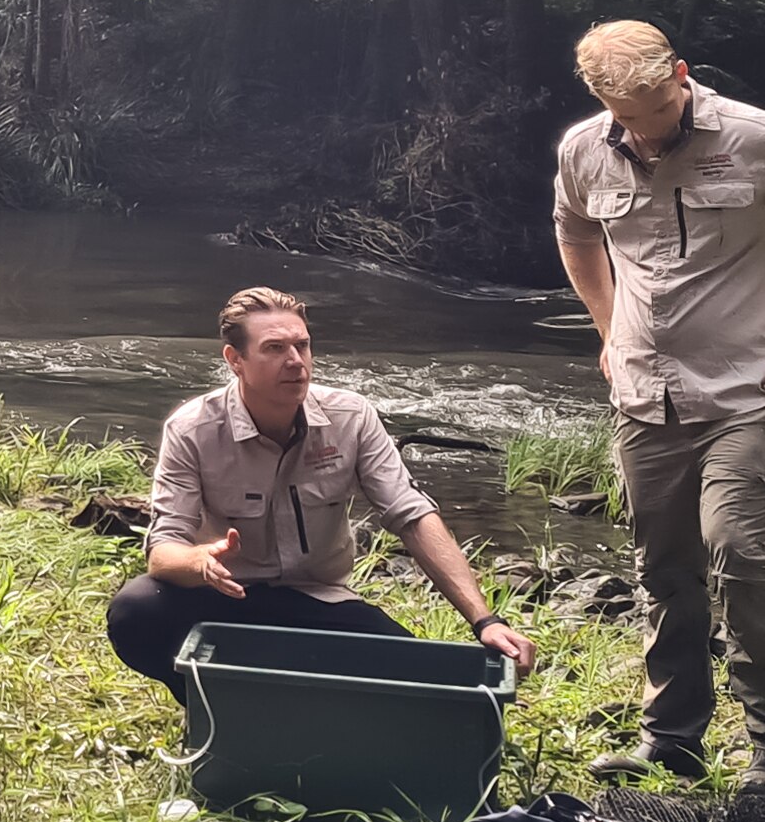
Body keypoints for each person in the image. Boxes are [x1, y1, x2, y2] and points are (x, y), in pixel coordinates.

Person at [551, 19, 765, 793]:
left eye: (658, 109)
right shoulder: (583, 149)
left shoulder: (761, 140)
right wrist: (607, 327)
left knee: (738, 552)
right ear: (599, 100)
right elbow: (574, 230)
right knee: (663, 569)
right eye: (627, 117)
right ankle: (671, 741)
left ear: (681, 74)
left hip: (750, 391)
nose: (647, 130)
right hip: (644, 394)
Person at [103, 288, 541, 690]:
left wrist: (485, 620)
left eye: (302, 345)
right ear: (235, 360)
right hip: (225, 597)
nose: (295, 360)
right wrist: (199, 562)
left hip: (317, 600)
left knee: (425, 682)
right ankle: (212, 704)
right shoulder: (192, 429)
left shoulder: (351, 417)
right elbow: (163, 550)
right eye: (274, 348)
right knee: (136, 611)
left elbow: (411, 515)